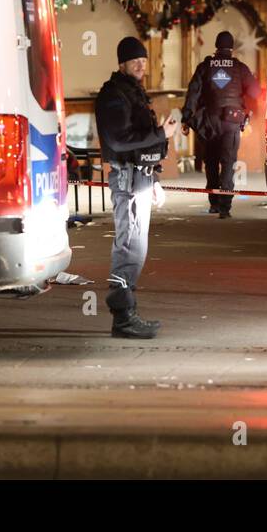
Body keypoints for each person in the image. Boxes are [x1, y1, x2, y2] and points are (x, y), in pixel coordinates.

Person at [95, 36, 179, 339]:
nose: (141, 65)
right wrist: (161, 132)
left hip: (140, 177)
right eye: (135, 60)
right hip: (127, 178)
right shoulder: (114, 95)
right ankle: (123, 316)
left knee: (136, 246)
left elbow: (140, 138)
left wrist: (154, 179)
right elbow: (119, 140)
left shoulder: (133, 92)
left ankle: (128, 310)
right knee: (129, 245)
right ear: (122, 63)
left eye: (144, 60)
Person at [185, 31, 261, 218]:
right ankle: (225, 208)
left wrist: (186, 117)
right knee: (228, 164)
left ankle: (214, 203)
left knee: (210, 162)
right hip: (232, 121)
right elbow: (256, 92)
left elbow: (193, 91)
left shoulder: (205, 66)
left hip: (209, 122)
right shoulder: (239, 67)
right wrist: (249, 112)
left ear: (216, 46)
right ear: (231, 48)